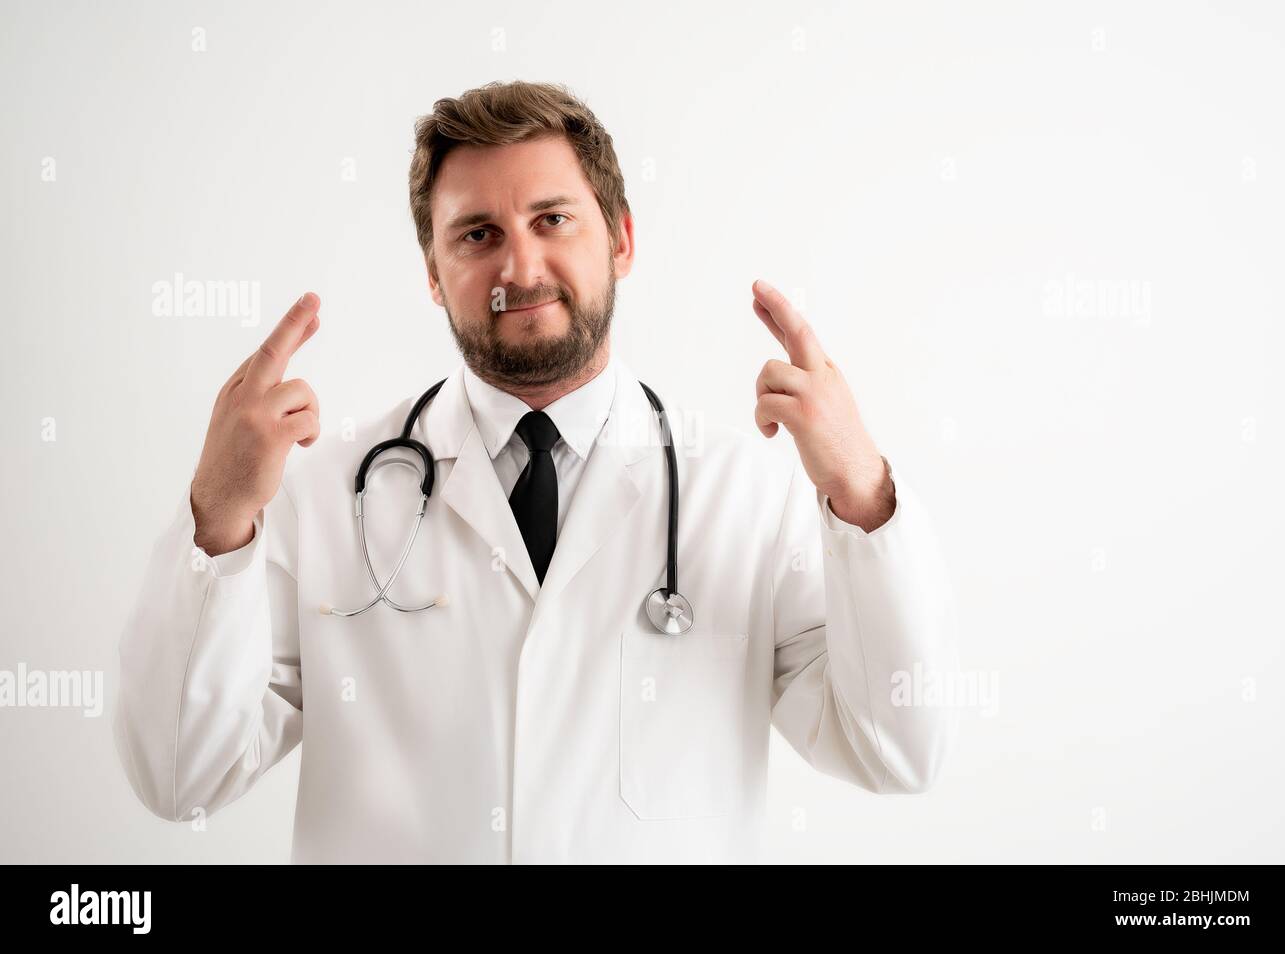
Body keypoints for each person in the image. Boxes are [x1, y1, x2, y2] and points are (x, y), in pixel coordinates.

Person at [113, 80, 958, 863]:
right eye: (477, 235)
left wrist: (862, 495)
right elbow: (182, 777)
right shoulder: (325, 491)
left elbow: (896, 748)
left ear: (622, 239)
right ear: (435, 276)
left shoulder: (747, 495)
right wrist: (216, 515)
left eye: (552, 220)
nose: (519, 268)